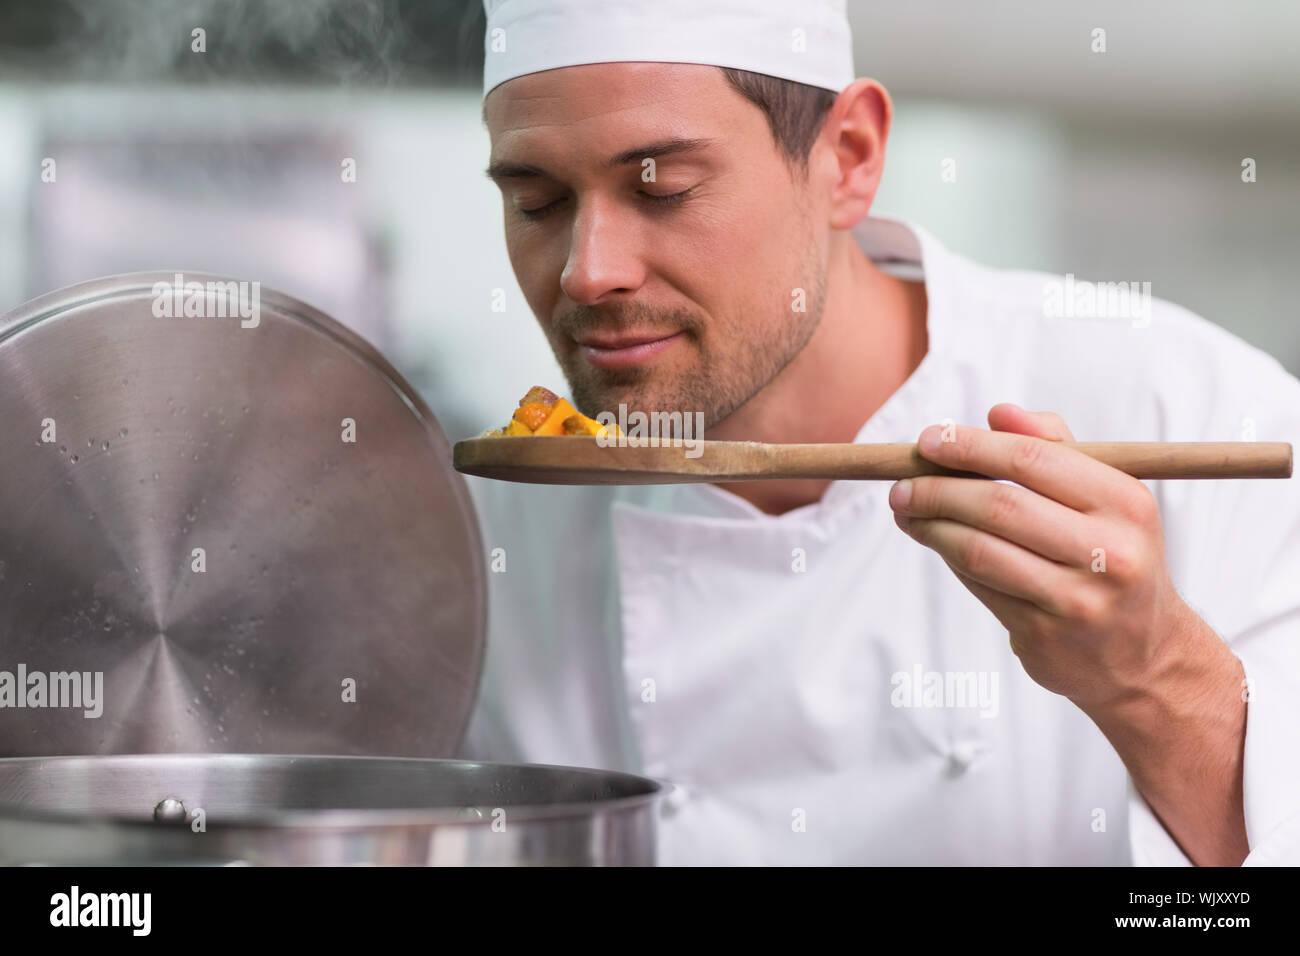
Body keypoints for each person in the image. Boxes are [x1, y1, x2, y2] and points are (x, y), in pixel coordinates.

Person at [458, 0, 1300, 865]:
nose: (588, 271)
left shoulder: (1190, 411)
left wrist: (1154, 677)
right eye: (537, 201)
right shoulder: (486, 534)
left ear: (848, 158)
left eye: (661, 189)